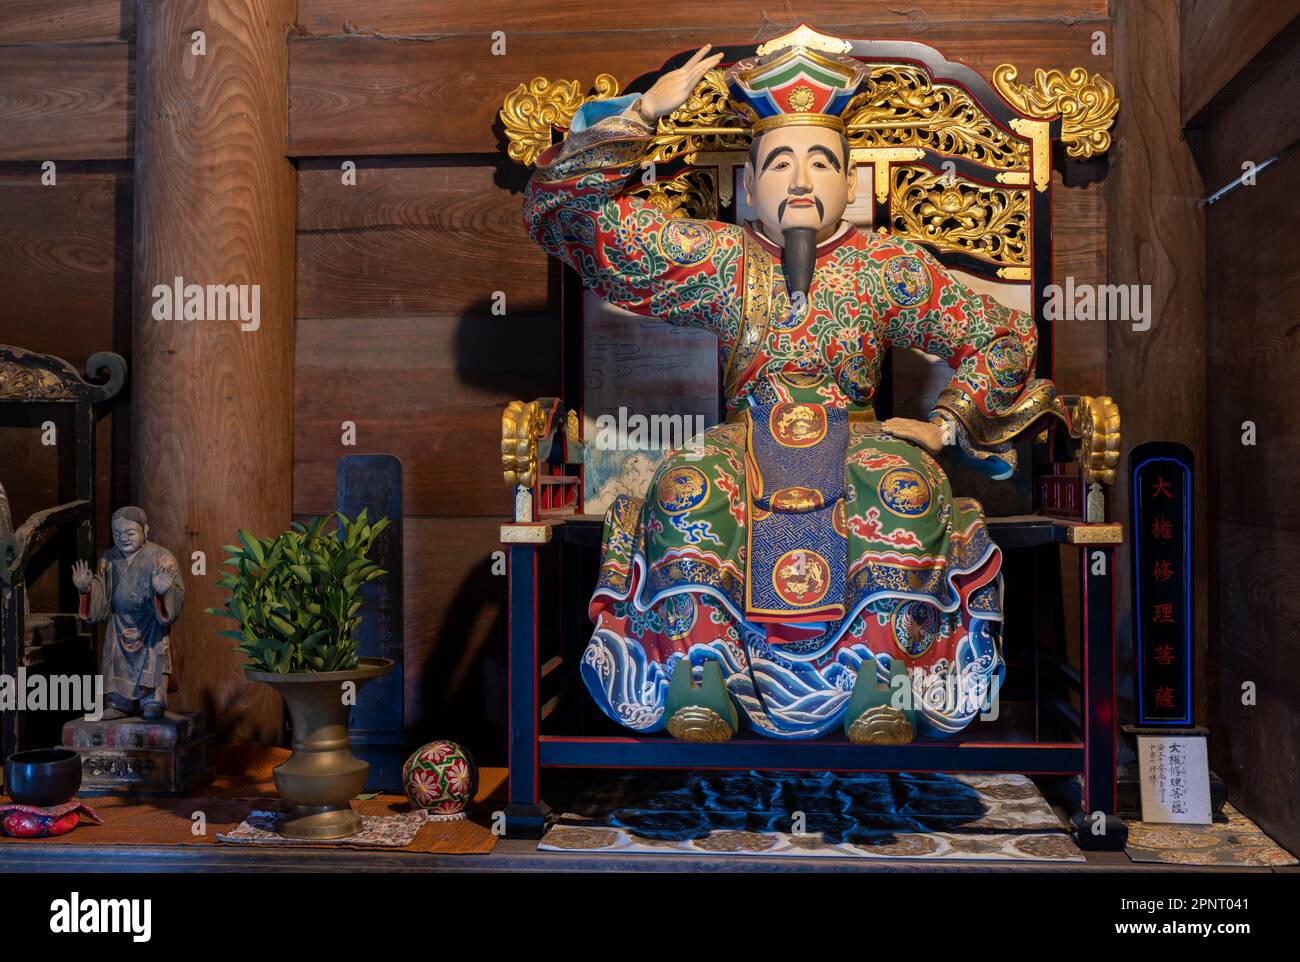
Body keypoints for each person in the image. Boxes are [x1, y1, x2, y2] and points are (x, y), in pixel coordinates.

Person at [522, 39, 1069, 743]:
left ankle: (885, 673)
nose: (802, 180)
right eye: (780, 163)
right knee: (685, 491)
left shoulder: (886, 266)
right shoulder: (720, 257)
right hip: (743, 440)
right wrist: (642, 114)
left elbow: (1003, 336)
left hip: (858, 440)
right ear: (750, 187)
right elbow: (572, 220)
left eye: (822, 162)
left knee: (904, 492)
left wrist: (946, 425)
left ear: (850, 185)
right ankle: (699, 670)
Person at [73, 506, 184, 720]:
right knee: (115, 659)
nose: (123, 538)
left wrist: (163, 592)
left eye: (130, 533)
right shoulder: (109, 559)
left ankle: (153, 701)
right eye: (116, 533)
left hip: (150, 624)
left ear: (145, 530)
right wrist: (86, 588)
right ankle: (118, 703)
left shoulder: (162, 557)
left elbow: (177, 596)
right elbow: (101, 602)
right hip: (119, 622)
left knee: (153, 659)